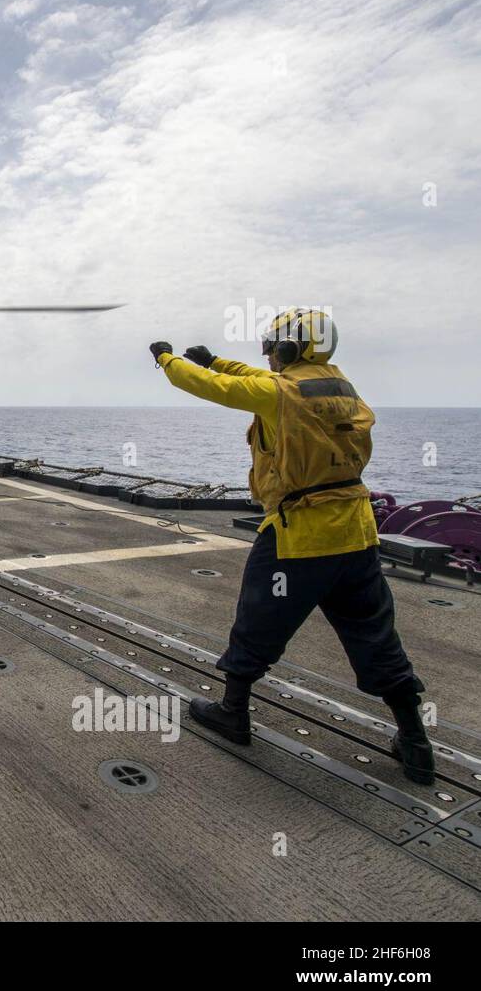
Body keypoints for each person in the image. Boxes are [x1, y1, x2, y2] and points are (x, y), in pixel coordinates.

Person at [147, 309, 433, 784]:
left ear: (291, 348)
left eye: (274, 345)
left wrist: (168, 359)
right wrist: (217, 359)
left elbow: (209, 388)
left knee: (257, 622)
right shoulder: (341, 387)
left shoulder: (279, 393)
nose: (269, 355)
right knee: (376, 636)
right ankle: (417, 744)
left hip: (299, 536)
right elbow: (262, 379)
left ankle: (233, 713)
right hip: (357, 534)